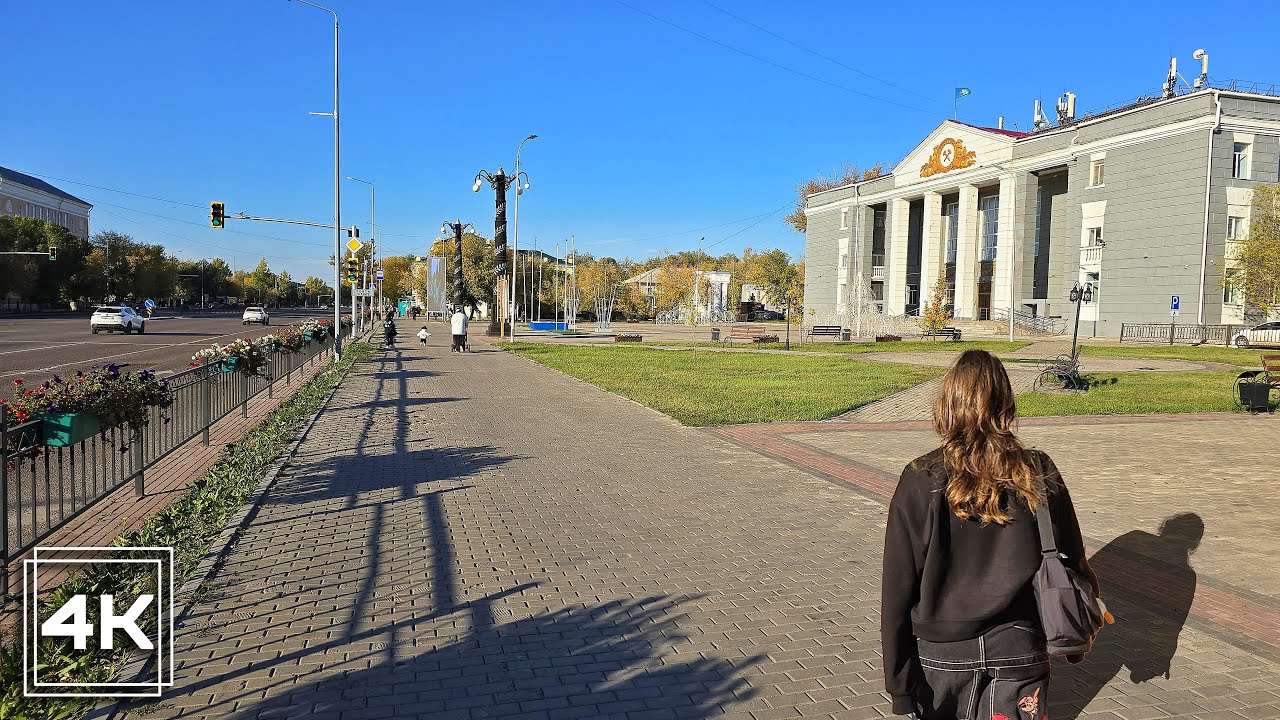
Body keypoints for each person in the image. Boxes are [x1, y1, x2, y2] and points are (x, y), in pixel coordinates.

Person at [881, 350, 1099, 720]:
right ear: (1006, 404)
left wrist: (899, 685)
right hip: (1020, 646)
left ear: (947, 404)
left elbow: (898, 591)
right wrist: (1077, 635)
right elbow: (1073, 562)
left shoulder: (920, 476)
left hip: (942, 655)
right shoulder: (1038, 471)